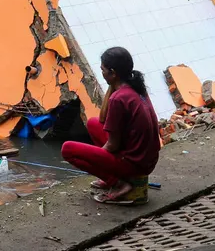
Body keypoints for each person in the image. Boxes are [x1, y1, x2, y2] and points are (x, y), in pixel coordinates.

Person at [61, 47, 161, 205]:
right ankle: (114, 178)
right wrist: (112, 84)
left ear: (113, 73)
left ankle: (118, 183)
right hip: (147, 158)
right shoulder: (134, 86)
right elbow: (102, 118)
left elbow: (112, 145)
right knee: (93, 123)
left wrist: (97, 160)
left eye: (103, 70)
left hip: (135, 164)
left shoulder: (118, 98)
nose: (102, 73)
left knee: (68, 149)